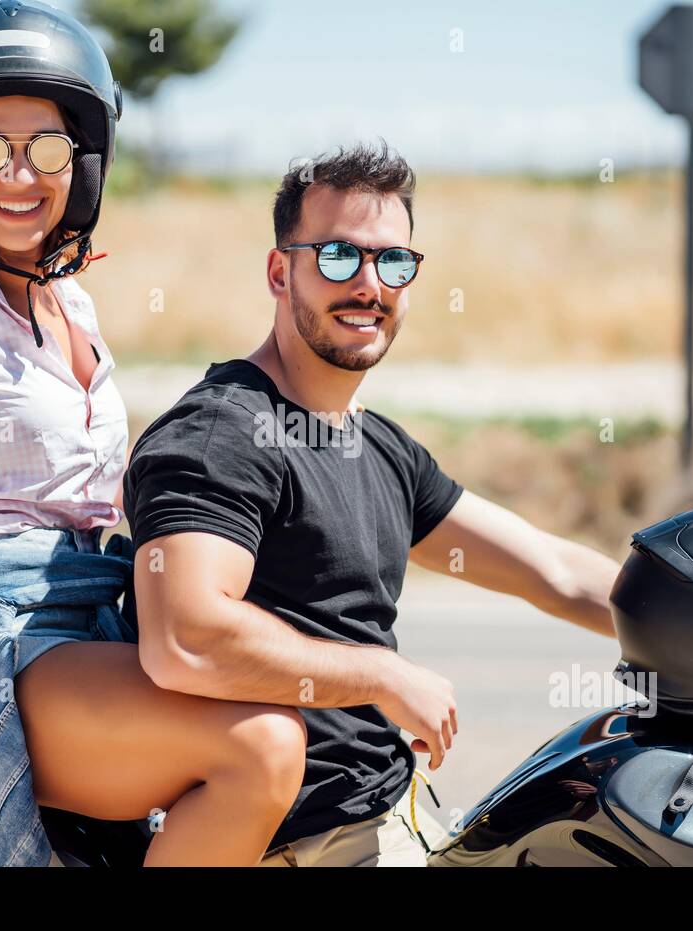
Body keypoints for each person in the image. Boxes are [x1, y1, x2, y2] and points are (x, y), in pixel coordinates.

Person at [0, 0, 304, 867]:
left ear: (82, 162)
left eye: (46, 147)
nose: (20, 174)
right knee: (259, 746)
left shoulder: (72, 302)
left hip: (92, 612)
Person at [123, 140, 623, 867]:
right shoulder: (219, 435)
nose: (368, 284)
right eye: (337, 257)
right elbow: (186, 637)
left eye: (392, 261)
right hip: (295, 844)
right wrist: (382, 675)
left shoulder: (379, 447)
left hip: (397, 815)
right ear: (278, 270)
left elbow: (556, 573)